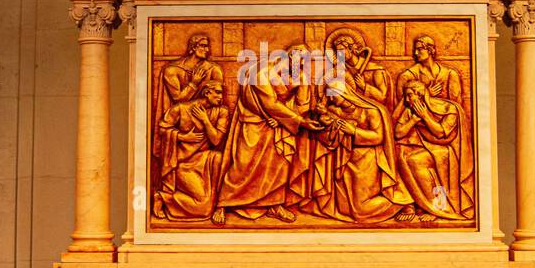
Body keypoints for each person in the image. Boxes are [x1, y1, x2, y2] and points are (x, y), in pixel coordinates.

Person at [212, 51, 322, 223]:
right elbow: (269, 103)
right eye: (297, 62)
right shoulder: (261, 72)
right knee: (243, 165)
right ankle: (223, 204)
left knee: (279, 165)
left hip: (279, 125)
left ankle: (274, 204)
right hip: (254, 121)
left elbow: (302, 105)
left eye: (302, 64)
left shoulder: (300, 76)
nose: (299, 67)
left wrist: (288, 119)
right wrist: (297, 120)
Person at [297, 82, 413, 224]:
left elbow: (378, 137)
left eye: (332, 95)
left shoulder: (371, 111)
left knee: (359, 210)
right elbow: (330, 129)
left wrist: (354, 131)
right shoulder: (335, 110)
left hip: (367, 161)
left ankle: (402, 203)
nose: (330, 99)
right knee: (345, 208)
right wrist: (322, 116)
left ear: (343, 93)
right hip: (345, 161)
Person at [393, 79, 474, 223]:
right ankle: (411, 203)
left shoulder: (449, 108)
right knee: (399, 156)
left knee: (415, 161)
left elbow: (441, 133)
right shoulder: (410, 109)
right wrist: (413, 120)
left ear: (421, 95)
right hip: (427, 148)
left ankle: (438, 206)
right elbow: (398, 133)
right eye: (406, 95)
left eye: (410, 95)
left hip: (446, 151)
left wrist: (425, 116)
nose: (406, 99)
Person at [153, 79, 229, 220]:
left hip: (205, 159)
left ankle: (220, 206)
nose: (221, 97)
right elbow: (163, 129)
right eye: (217, 93)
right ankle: (163, 198)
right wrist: (182, 137)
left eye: (222, 94)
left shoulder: (221, 112)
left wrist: (205, 120)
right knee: (203, 208)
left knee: (219, 158)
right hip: (183, 162)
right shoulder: (181, 109)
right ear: (207, 93)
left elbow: (216, 140)